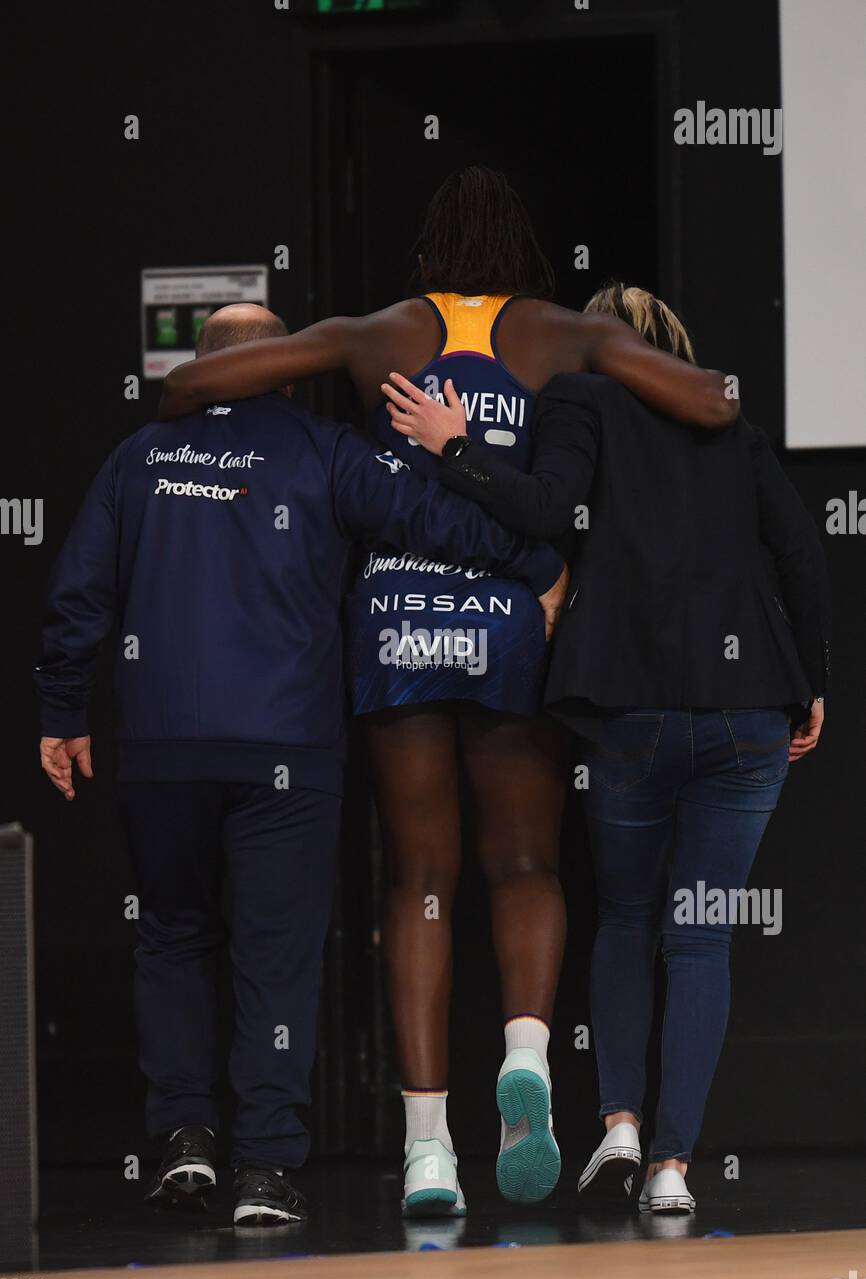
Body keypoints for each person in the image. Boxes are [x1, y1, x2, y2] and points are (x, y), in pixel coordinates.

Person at [157, 169, 739, 1215]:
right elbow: (709, 398)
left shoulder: (378, 331)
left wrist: (212, 404)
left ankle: (427, 1145)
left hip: (397, 621)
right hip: (518, 618)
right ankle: (527, 1055)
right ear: (521, 255)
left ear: (427, 254)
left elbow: (195, 386)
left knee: (419, 876)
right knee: (523, 863)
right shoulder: (561, 335)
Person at [35, 304, 567, 1227]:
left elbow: (79, 590)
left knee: (171, 937)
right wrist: (537, 563)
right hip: (284, 750)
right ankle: (267, 1173)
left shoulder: (136, 459)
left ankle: (186, 1144)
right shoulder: (324, 451)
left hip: (163, 749)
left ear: (203, 370)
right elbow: (431, 519)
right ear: (285, 370)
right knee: (274, 956)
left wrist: (61, 710)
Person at [382, 282, 831, 1214]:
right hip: (748, 708)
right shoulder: (730, 423)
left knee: (626, 917)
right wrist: (811, 677)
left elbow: (544, 510)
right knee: (701, 938)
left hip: (628, 708)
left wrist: (452, 446)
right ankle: (672, 1171)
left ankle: (619, 1124)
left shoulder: (580, 399)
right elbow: (802, 550)